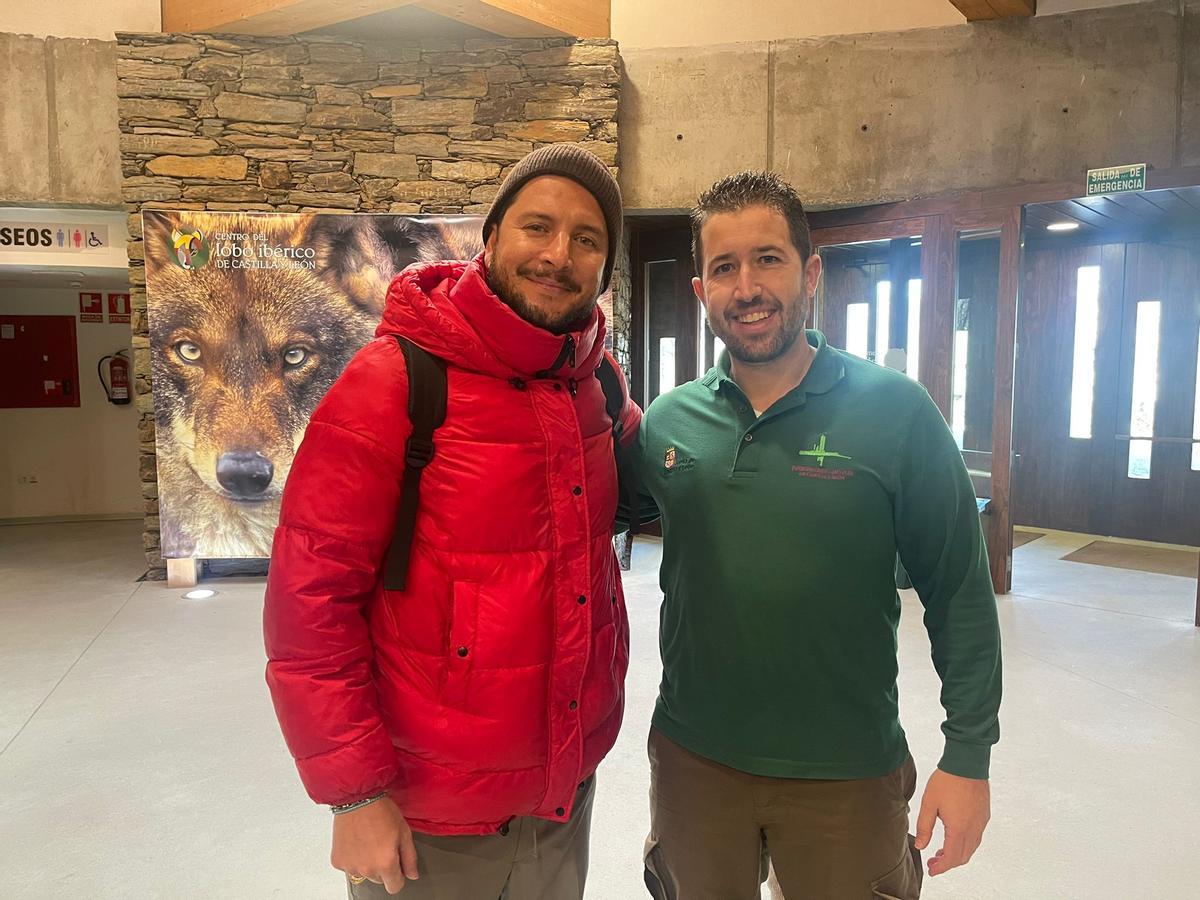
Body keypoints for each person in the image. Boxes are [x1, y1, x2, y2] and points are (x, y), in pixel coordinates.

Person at [263, 144, 638, 899]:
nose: (558, 254)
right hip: (429, 819)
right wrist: (355, 796)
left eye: (586, 238)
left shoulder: (595, 379)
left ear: (603, 268)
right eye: (538, 226)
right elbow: (310, 605)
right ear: (491, 238)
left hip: (562, 794)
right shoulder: (394, 381)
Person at [636, 171, 1002, 900]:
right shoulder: (667, 424)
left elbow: (959, 589)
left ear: (810, 273)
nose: (747, 287)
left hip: (847, 770)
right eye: (724, 267)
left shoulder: (897, 413)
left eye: (768, 259)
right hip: (694, 762)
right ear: (702, 291)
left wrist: (968, 756)